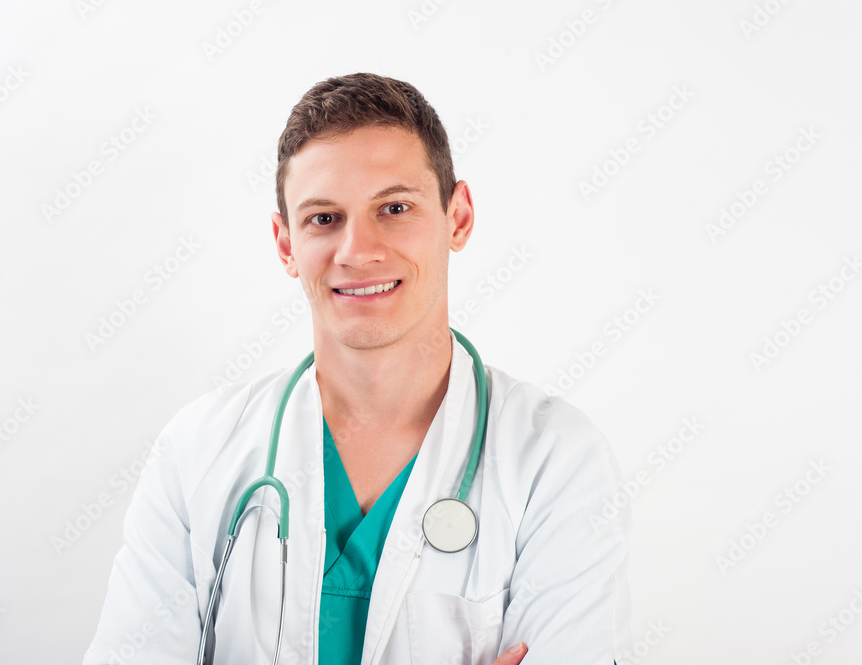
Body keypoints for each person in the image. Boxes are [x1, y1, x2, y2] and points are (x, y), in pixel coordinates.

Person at [83, 72, 631, 665]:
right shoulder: (197, 450)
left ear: (459, 217)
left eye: (394, 208)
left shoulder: (556, 460)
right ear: (286, 244)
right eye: (323, 218)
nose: (357, 250)